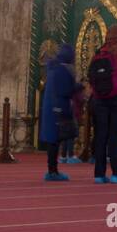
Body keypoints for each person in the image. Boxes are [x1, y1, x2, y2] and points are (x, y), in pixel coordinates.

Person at [88, 25, 117, 184]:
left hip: (100, 98)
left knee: (101, 135)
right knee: (115, 135)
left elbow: (92, 76)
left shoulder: (100, 51)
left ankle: (99, 175)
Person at [39, 43, 77, 182]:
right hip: (59, 109)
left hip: (51, 109)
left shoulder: (54, 68)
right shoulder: (62, 70)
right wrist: (78, 87)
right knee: (55, 142)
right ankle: (53, 171)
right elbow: (65, 91)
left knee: (53, 142)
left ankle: (52, 170)